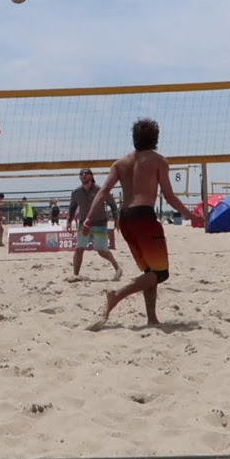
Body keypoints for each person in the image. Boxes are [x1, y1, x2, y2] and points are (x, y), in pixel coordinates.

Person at [85, 118, 194, 330]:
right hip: (144, 216)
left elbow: (104, 190)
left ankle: (152, 318)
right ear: (156, 138)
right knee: (161, 273)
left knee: (150, 273)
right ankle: (116, 295)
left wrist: (89, 217)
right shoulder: (159, 161)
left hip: (125, 219)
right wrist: (189, 214)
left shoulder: (120, 163)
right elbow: (169, 196)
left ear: (134, 138)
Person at [66, 168, 123, 282]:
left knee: (101, 251)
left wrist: (117, 220)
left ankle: (117, 268)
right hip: (83, 224)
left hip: (100, 223)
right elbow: (72, 207)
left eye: (86, 174)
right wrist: (69, 221)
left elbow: (113, 205)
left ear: (91, 176)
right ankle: (76, 274)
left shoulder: (101, 190)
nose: (83, 175)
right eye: (81, 174)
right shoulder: (76, 192)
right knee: (79, 249)